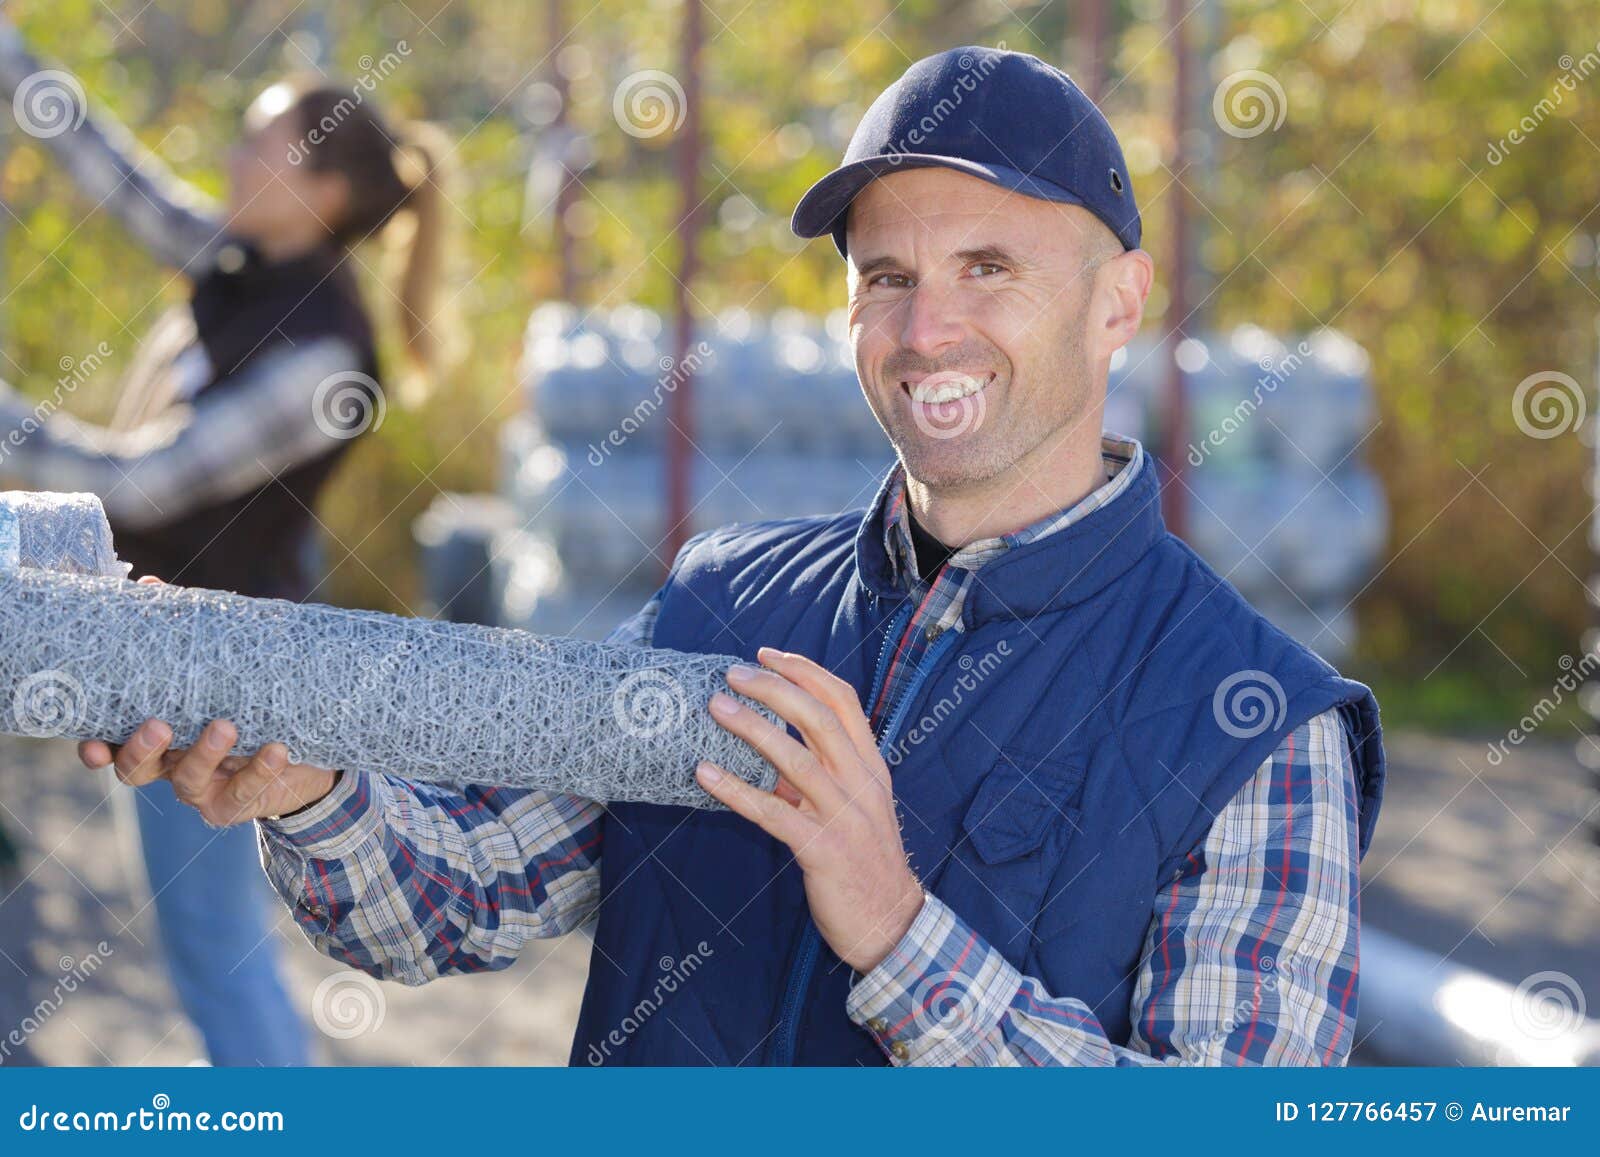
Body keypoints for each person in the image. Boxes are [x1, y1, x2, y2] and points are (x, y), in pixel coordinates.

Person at [85, 46, 1386, 1066]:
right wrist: (311, 791)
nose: (927, 328)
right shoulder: (725, 604)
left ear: (1119, 301)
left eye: (990, 267)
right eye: (886, 277)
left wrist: (894, 930)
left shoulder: (1255, 724)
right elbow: (458, 897)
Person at [0, 15, 446, 1065]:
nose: (232, 155)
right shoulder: (245, 263)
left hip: (211, 672)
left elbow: (147, 480)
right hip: (163, 650)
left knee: (214, 948)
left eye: (260, 143)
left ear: (324, 191)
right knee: (211, 946)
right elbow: (116, 178)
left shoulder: (327, 359)